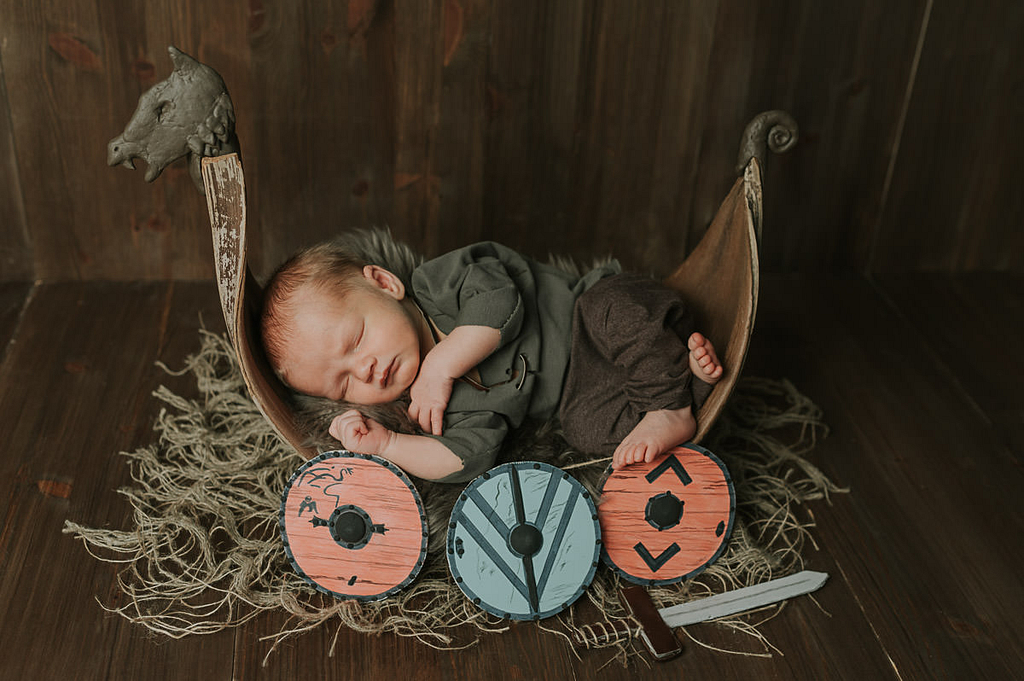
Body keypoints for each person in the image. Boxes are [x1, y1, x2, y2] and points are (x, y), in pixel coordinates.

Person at [260, 237, 722, 483]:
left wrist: (441, 365)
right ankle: (691, 386)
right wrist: (386, 447)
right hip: (578, 392)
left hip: (586, 317)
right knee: (587, 431)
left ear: (384, 283)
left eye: (356, 340)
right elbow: (466, 458)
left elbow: (501, 301)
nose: (363, 369)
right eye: (344, 386)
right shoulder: (439, 409)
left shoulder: (438, 282)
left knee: (616, 310)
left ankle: (668, 406)